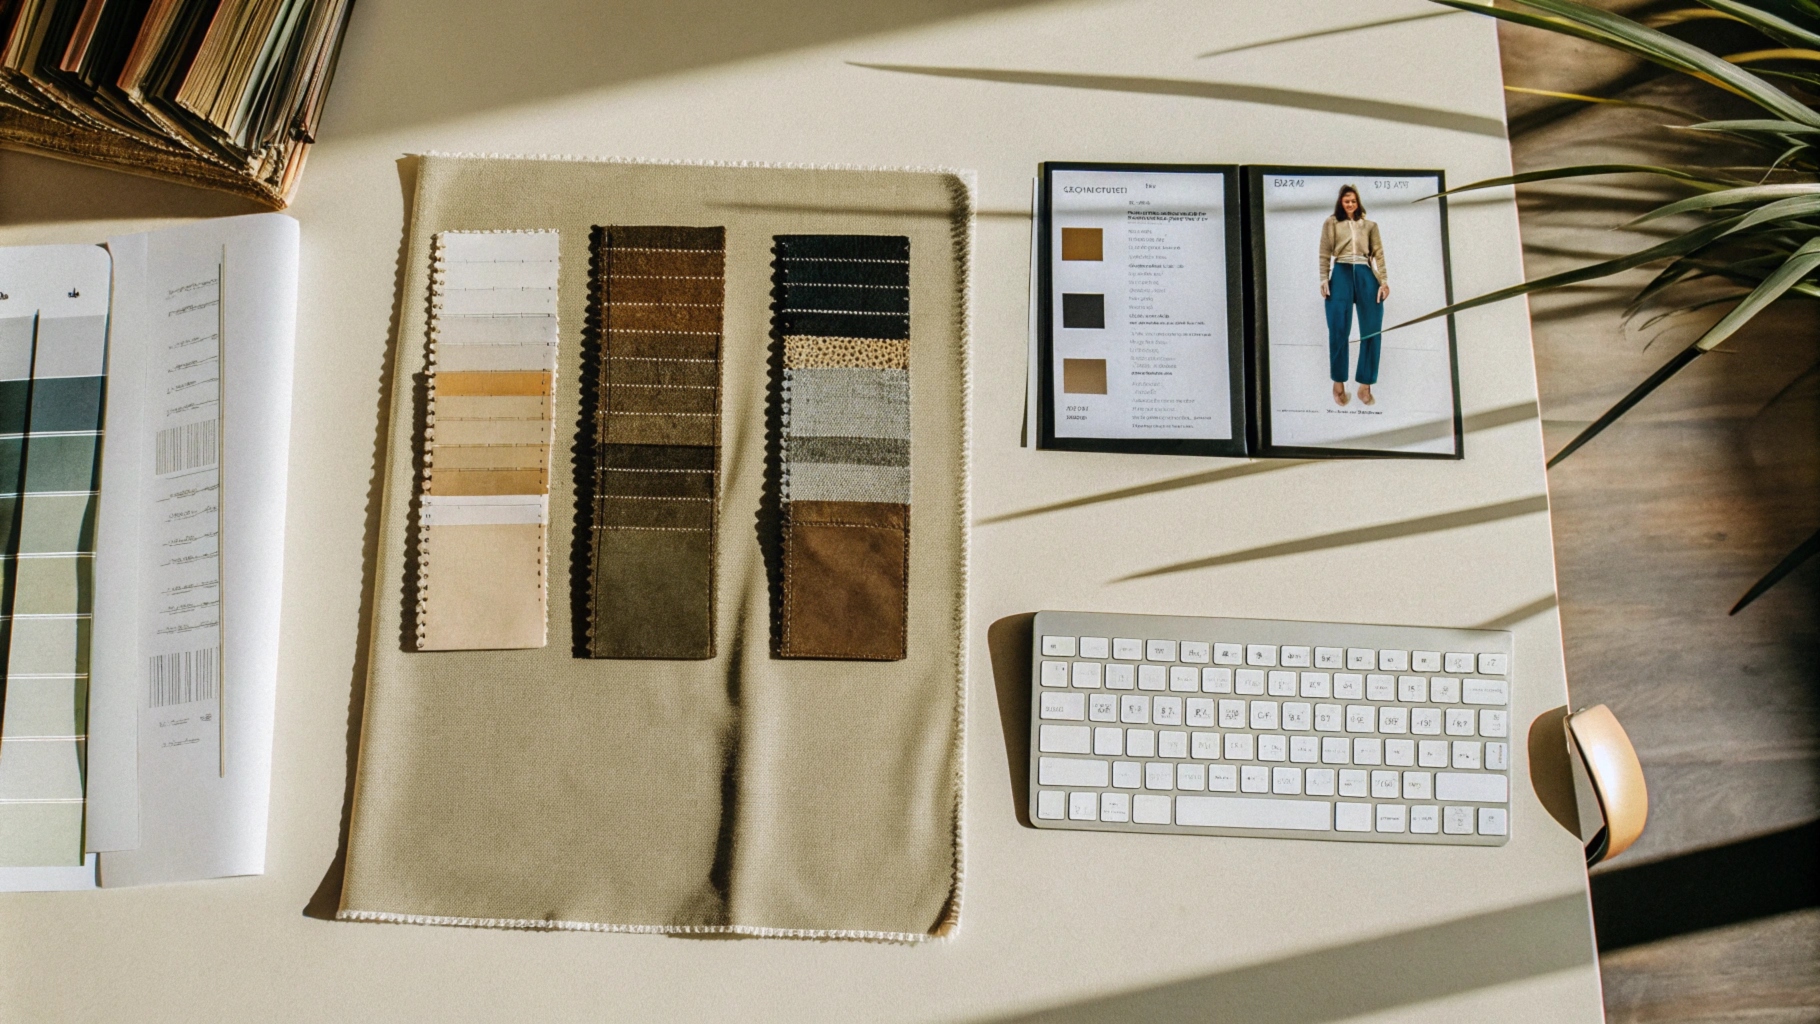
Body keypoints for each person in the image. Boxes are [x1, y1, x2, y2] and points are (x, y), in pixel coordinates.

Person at [1319, 184, 1389, 406]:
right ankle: (1338, 382)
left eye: (1353, 201)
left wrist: (1384, 281)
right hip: (1341, 272)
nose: (1350, 204)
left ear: (1358, 202)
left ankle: (1365, 385)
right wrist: (1324, 278)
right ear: (1341, 202)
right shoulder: (1331, 223)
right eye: (1346, 200)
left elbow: (1378, 253)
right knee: (1338, 327)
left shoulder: (1370, 226)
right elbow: (1324, 252)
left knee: (1372, 328)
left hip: (1365, 273)